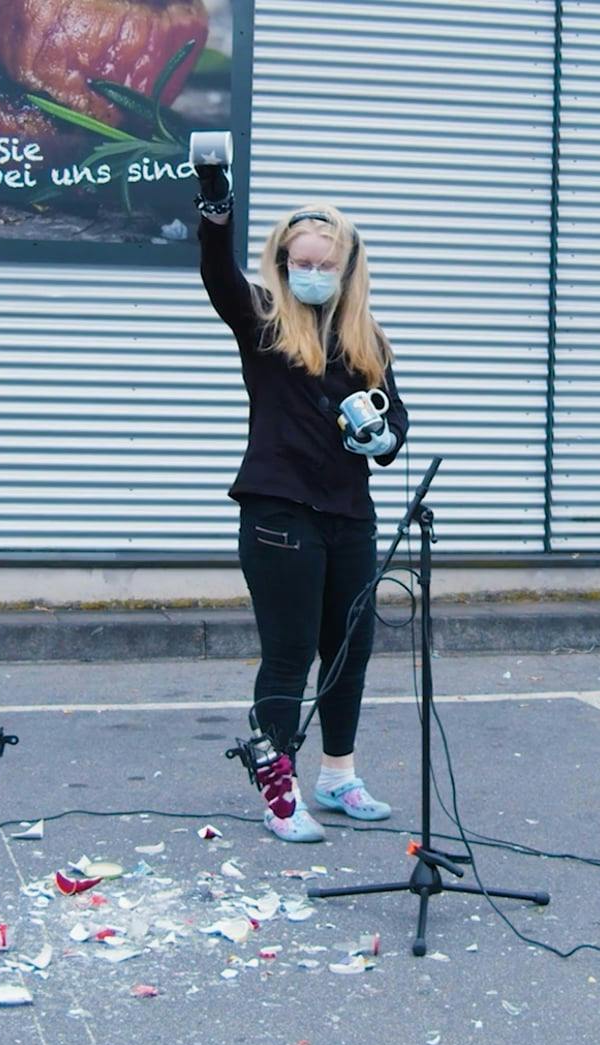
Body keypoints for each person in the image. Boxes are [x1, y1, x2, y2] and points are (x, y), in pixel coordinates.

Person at [194, 163, 409, 843]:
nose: (310, 273)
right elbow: (217, 276)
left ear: (347, 268)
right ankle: (278, 785)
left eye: (323, 264)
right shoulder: (262, 318)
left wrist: (379, 434)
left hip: (349, 514)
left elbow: (396, 429)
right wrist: (215, 206)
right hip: (278, 512)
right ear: (283, 263)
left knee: (348, 648)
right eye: (299, 263)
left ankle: (337, 776)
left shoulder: (367, 340)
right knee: (289, 653)